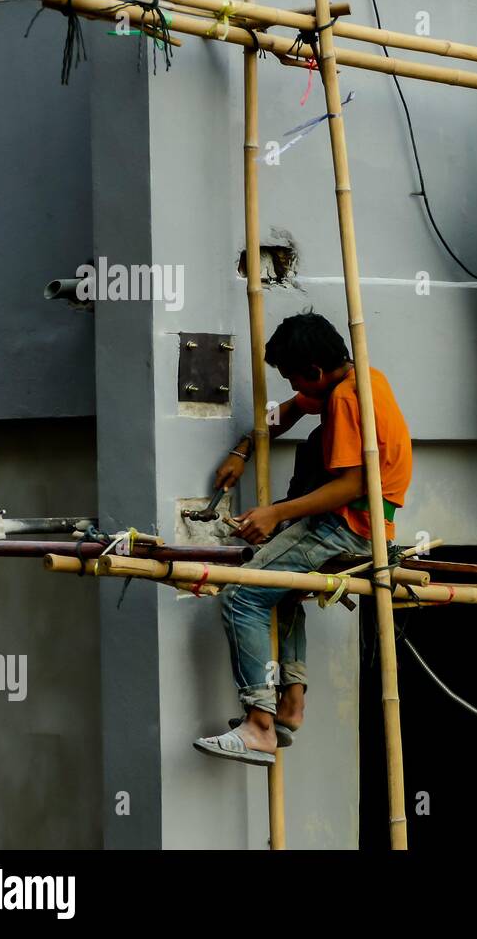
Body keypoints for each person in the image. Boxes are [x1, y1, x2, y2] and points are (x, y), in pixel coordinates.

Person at [194, 312, 412, 765]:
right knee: (282, 595)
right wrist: (244, 448)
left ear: (314, 371)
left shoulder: (348, 400)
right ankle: (291, 707)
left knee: (242, 596)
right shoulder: (356, 378)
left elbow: (352, 485)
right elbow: (286, 412)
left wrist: (275, 514)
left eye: (295, 378)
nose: (294, 390)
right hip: (360, 527)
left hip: (346, 527)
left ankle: (258, 725)